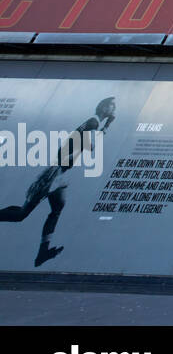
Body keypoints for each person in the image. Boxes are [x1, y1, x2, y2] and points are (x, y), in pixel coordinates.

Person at [0, 97, 115, 267]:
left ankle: (43, 252)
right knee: (21, 215)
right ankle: (42, 252)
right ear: (105, 108)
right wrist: (106, 128)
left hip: (60, 175)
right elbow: (90, 146)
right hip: (55, 174)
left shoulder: (91, 122)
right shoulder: (93, 122)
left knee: (56, 210)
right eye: (112, 106)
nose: (114, 109)